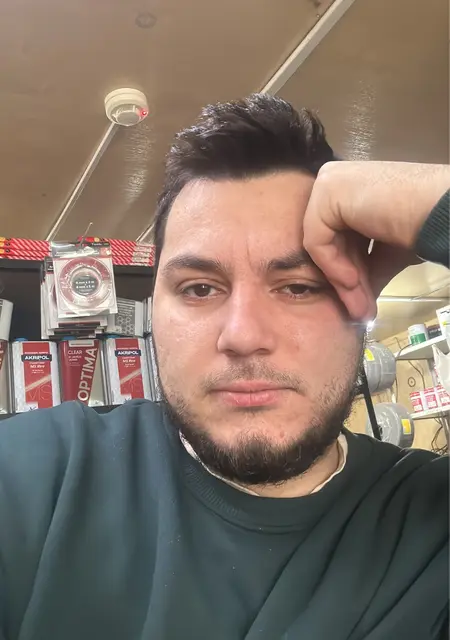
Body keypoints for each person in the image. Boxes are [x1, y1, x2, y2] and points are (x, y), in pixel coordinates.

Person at [0, 94, 448, 640]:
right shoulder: (36, 477)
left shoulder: (433, 523)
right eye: (199, 288)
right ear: (152, 313)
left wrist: (437, 205)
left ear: (363, 305)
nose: (243, 336)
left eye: (298, 287)